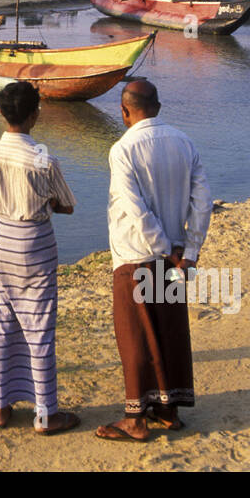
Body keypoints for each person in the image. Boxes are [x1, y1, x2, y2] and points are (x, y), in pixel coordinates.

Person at [98, 78, 211, 441]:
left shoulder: (122, 149)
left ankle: (135, 419)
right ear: (158, 107)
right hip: (175, 256)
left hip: (137, 255)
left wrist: (164, 248)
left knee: (135, 336)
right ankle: (168, 409)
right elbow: (203, 202)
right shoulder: (184, 142)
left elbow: (135, 209)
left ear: (124, 111)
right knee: (170, 330)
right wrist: (188, 253)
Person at [0, 81, 79, 434]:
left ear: (2, 112)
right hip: (35, 243)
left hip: (2, 240)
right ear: (35, 114)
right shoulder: (43, 158)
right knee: (39, 326)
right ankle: (46, 413)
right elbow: (66, 205)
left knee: (4, 321)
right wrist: (48, 203)